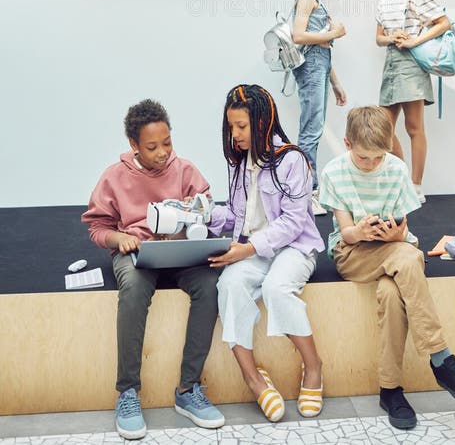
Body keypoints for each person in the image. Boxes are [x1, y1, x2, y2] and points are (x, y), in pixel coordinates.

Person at [319, 106, 455, 430]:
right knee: (410, 257)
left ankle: (390, 390)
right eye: (363, 158)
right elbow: (346, 231)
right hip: (353, 252)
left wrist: (394, 233)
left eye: (377, 158)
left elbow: (403, 225)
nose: (371, 164)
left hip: (394, 248)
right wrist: (361, 231)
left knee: (391, 293)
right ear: (347, 144)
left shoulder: (395, 168)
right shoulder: (334, 173)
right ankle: (441, 358)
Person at [82, 99, 224, 439]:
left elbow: (211, 212)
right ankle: (127, 392)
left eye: (167, 143)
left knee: (210, 286)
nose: (162, 153)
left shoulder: (186, 170)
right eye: (152, 146)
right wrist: (120, 239)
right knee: (132, 290)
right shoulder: (114, 177)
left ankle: (188, 390)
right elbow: (97, 229)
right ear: (133, 145)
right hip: (137, 252)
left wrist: (200, 211)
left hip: (180, 251)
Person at [208, 84, 325, 422]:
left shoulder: (292, 160)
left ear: (262, 122)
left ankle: (314, 367)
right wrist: (202, 215)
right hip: (253, 248)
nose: (235, 134)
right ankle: (254, 379)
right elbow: (236, 215)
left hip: (294, 248)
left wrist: (247, 249)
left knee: (276, 287)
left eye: (241, 126)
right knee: (229, 286)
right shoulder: (239, 161)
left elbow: (293, 222)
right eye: (231, 127)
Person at [375, 0, 450, 202]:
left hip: (411, 63)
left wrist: (414, 41)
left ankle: (416, 186)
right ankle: (402, 178)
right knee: (381, 128)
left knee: (414, 127)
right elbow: (378, 38)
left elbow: (443, 23)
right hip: (391, 63)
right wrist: (391, 36)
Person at [291, 0, 347, 215]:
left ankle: (308, 190)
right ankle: (307, 192)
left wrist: (335, 82)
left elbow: (322, 46)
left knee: (313, 128)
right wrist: (333, 33)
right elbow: (298, 36)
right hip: (312, 66)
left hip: (319, 66)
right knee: (310, 131)